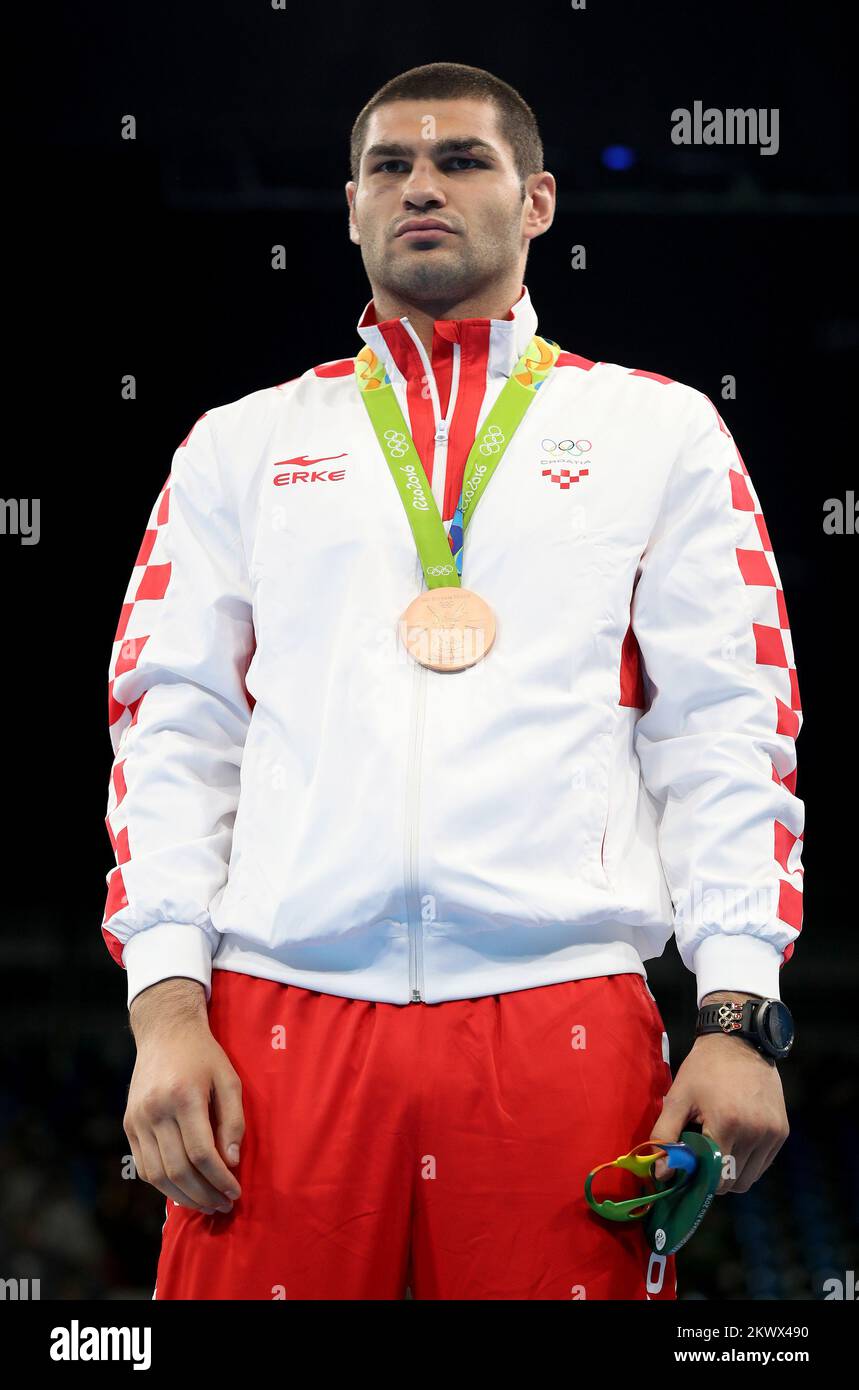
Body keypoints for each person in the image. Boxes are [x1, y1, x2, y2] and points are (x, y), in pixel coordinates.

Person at [103, 62, 804, 1301]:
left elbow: (726, 729)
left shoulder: (663, 431)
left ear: (536, 202)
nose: (421, 186)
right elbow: (174, 731)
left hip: (560, 1015)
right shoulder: (240, 443)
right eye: (391, 166)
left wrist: (737, 1012)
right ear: (353, 207)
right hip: (279, 1019)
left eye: (462, 161)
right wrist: (166, 1008)